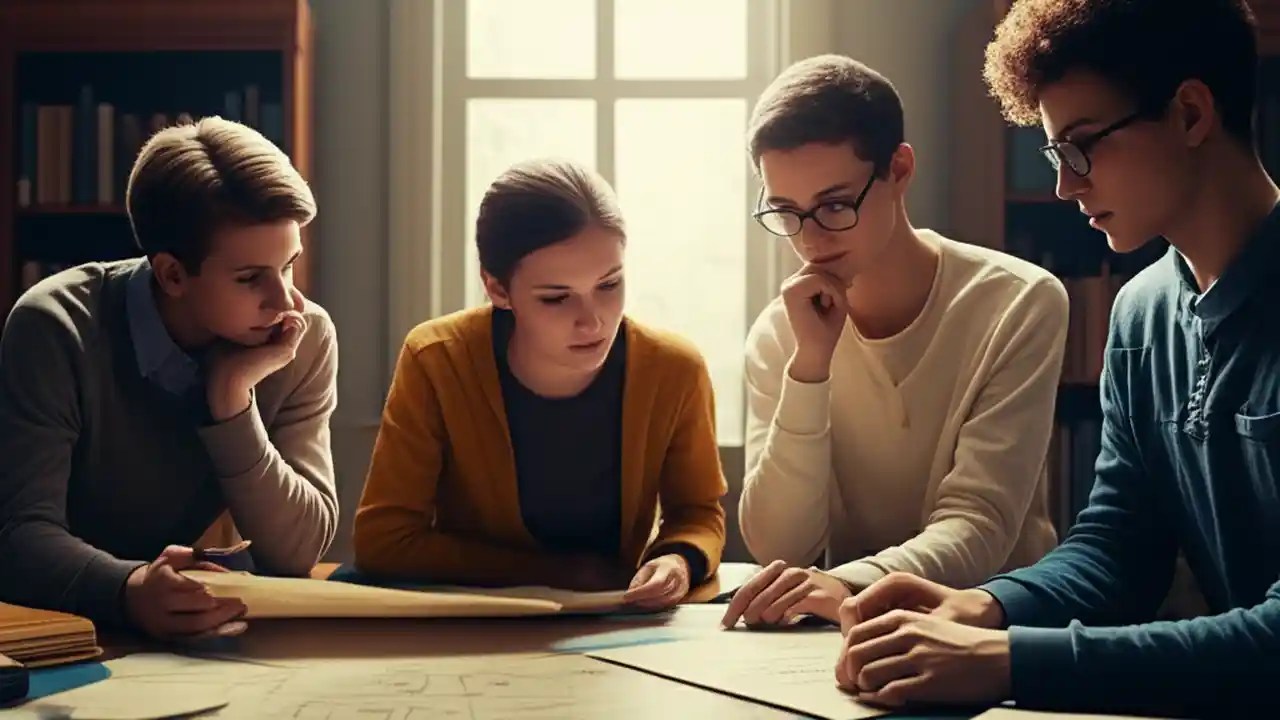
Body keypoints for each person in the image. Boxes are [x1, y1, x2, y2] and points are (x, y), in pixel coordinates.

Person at [834, 1, 1280, 716]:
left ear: (1191, 114)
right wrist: (983, 608)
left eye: (1081, 147)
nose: (1065, 186)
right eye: (1054, 156)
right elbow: (1116, 552)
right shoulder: (1139, 314)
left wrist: (1011, 661)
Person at [721, 54, 1067, 629]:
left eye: (834, 205)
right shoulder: (781, 333)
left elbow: (979, 525)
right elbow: (780, 545)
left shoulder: (1018, 301)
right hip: (837, 634)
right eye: (786, 211)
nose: (809, 239)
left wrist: (847, 583)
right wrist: (810, 366)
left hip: (992, 632)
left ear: (899, 170)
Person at [0, 117, 340, 640]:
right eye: (251, 278)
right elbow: (19, 536)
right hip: (48, 627)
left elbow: (298, 551)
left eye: (289, 266)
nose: (286, 302)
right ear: (172, 274)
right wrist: (129, 587)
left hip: (173, 631)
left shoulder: (301, 338)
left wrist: (230, 400)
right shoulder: (56, 327)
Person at [353, 158, 726, 610]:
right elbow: (384, 540)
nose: (592, 321)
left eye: (609, 284)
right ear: (496, 289)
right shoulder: (437, 359)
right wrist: (556, 573)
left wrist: (677, 560)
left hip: (617, 624)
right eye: (556, 297)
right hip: (476, 623)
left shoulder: (674, 368)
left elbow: (698, 514)